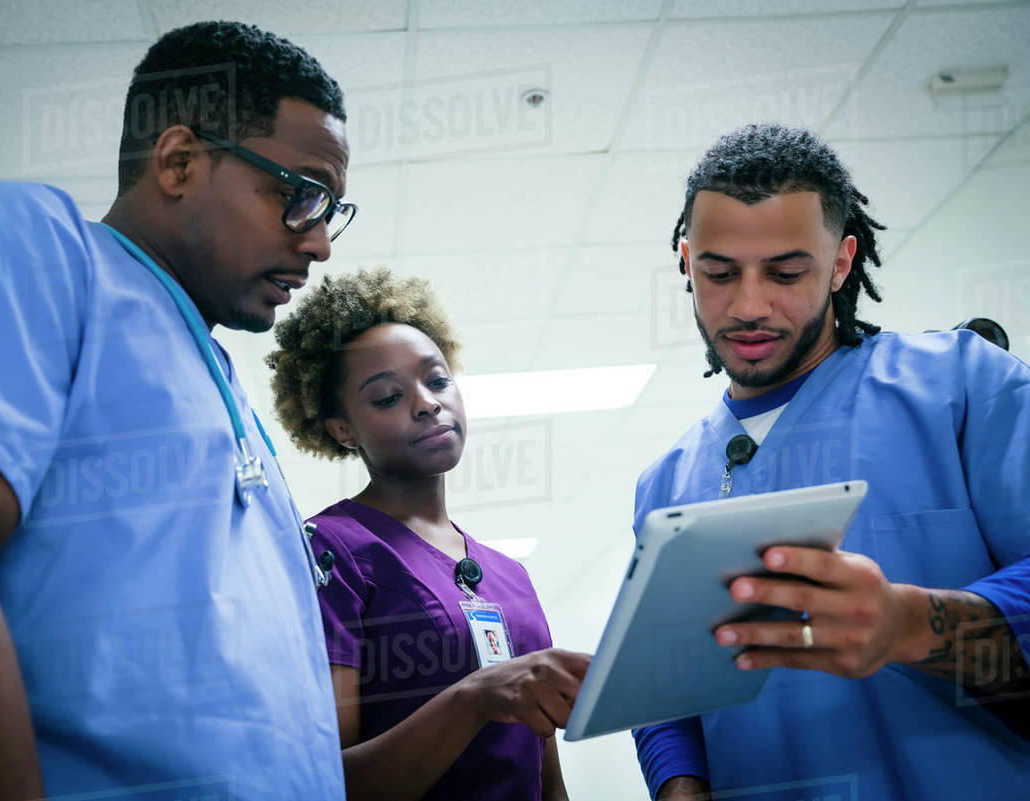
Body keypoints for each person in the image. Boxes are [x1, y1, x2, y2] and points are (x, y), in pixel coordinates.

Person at [0, 21, 355, 800]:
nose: (319, 245)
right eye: (302, 196)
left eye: (332, 212)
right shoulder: (38, 248)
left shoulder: (221, 388)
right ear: (179, 160)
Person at [633, 123, 1030, 800]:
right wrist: (680, 784)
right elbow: (661, 683)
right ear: (684, 259)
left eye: (787, 272)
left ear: (843, 261)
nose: (749, 305)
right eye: (719, 272)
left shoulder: (959, 386)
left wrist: (907, 624)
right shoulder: (667, 480)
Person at [266, 268, 590, 801]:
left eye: (437, 380)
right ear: (342, 429)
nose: (426, 403)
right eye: (388, 397)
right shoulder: (330, 551)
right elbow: (326, 783)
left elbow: (543, 769)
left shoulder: (511, 576)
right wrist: (474, 698)